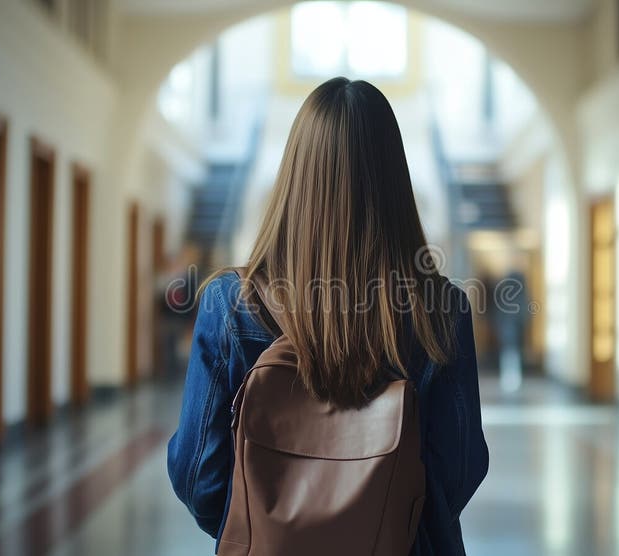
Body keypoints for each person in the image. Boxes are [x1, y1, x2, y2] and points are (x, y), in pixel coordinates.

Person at [167, 77, 489, 555]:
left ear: (294, 175)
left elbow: (199, 477)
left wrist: (276, 524)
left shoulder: (229, 304)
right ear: (395, 181)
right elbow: (459, 469)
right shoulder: (441, 310)